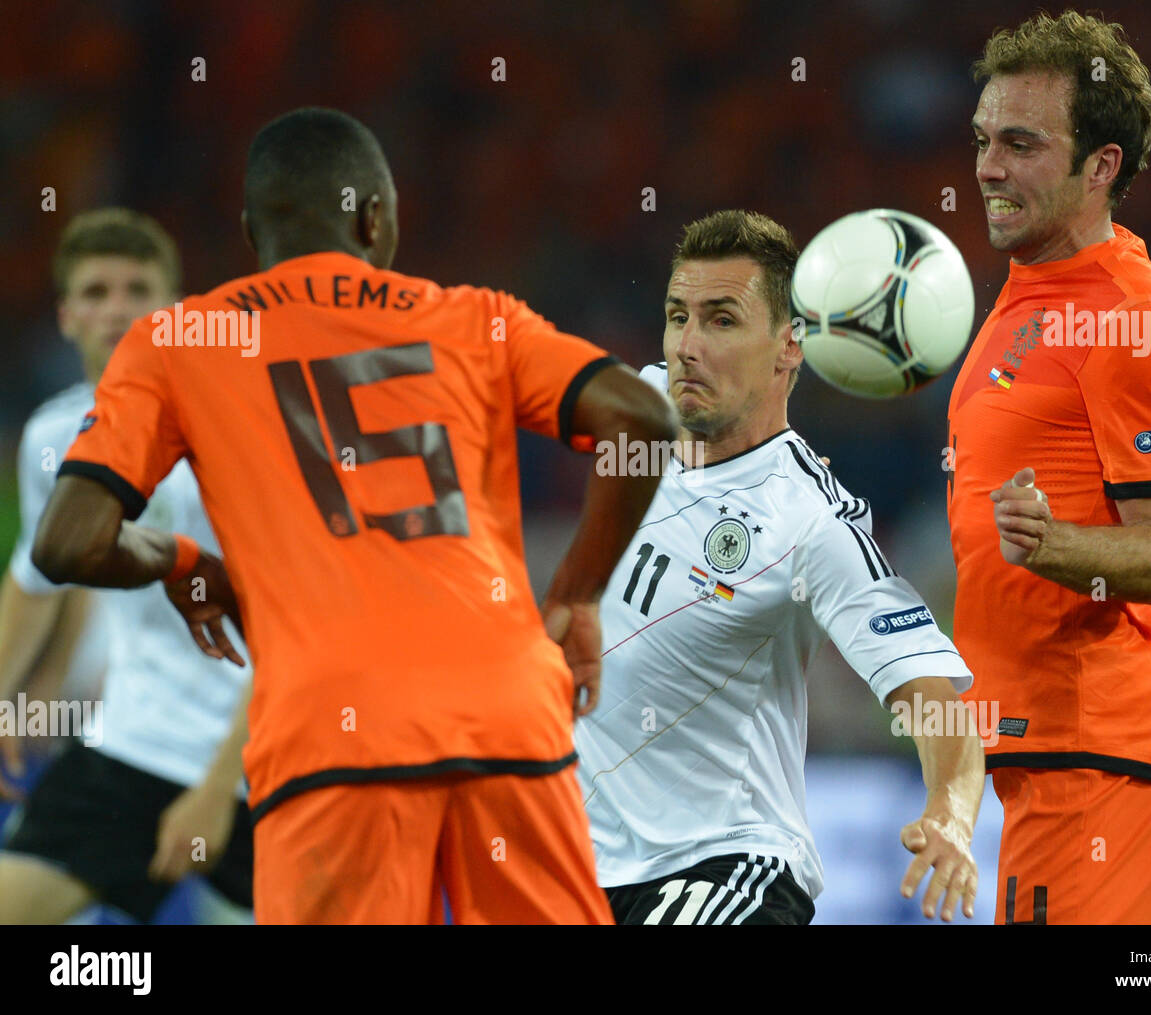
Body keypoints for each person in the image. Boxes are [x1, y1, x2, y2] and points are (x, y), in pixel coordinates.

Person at [30, 108, 677, 925]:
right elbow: (645, 420)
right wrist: (580, 593)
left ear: (250, 230)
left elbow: (67, 540)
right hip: (508, 718)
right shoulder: (479, 318)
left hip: (333, 738)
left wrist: (182, 561)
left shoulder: (181, 340)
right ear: (374, 216)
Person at [574, 209, 983, 925]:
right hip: (583, 868)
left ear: (790, 345)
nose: (687, 346)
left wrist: (949, 812)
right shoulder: (638, 408)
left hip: (730, 868)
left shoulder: (811, 520)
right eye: (678, 317)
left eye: (722, 321)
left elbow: (933, 698)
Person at [950, 11, 1151, 924]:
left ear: (1100, 165)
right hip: (1076, 745)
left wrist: (1051, 542)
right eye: (985, 139)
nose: (988, 167)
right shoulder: (1029, 283)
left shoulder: (1130, 317)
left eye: (1022, 144)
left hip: (1102, 747)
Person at [0, 208, 254, 925]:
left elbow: (294, 624)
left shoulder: (235, 430)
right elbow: (34, 581)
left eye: (138, 288)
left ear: (176, 312)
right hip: (135, 741)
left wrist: (216, 785)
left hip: (265, 757)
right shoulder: (53, 437)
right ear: (65, 315)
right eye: (96, 290)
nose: (117, 308)